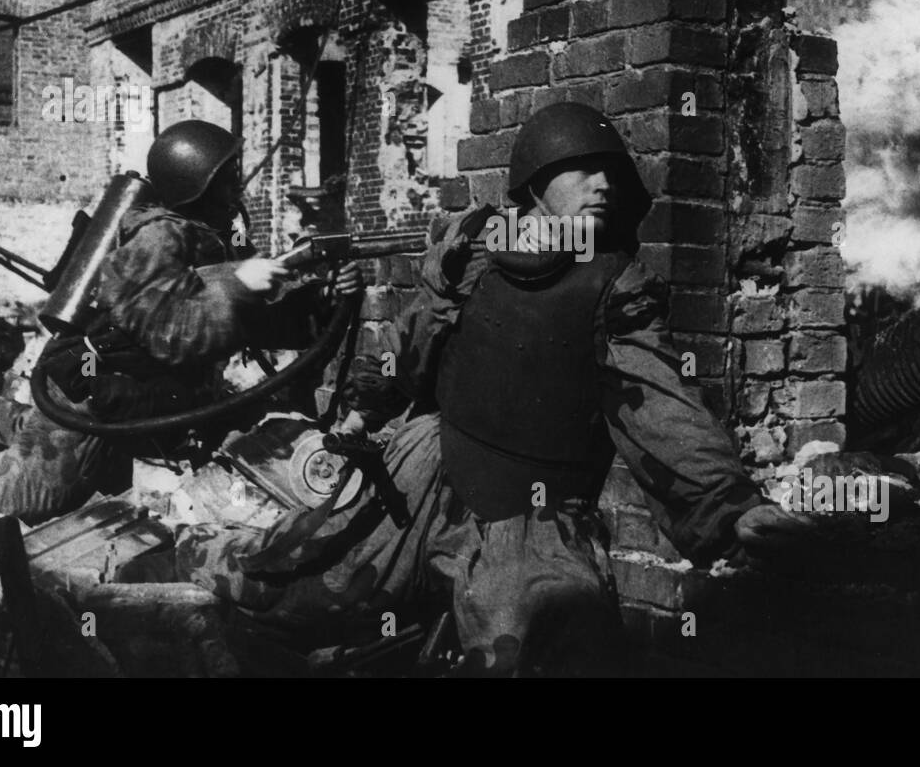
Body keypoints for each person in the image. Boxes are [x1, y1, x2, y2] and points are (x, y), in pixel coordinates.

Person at [177, 104, 813, 675]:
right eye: (582, 169)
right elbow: (409, 347)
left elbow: (663, 407)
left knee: (556, 634)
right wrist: (363, 410)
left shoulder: (615, 289)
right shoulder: (470, 257)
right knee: (297, 585)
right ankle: (181, 549)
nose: (603, 185)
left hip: (532, 518)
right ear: (535, 182)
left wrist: (731, 508)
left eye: (611, 174)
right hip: (423, 472)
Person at [0, 120, 357, 524]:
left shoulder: (213, 236)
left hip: (133, 406)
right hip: (91, 399)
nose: (238, 185)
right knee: (28, 495)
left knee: (21, 425)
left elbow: (250, 321)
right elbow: (165, 332)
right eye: (227, 176)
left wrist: (323, 299)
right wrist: (238, 283)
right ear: (197, 184)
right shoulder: (157, 237)